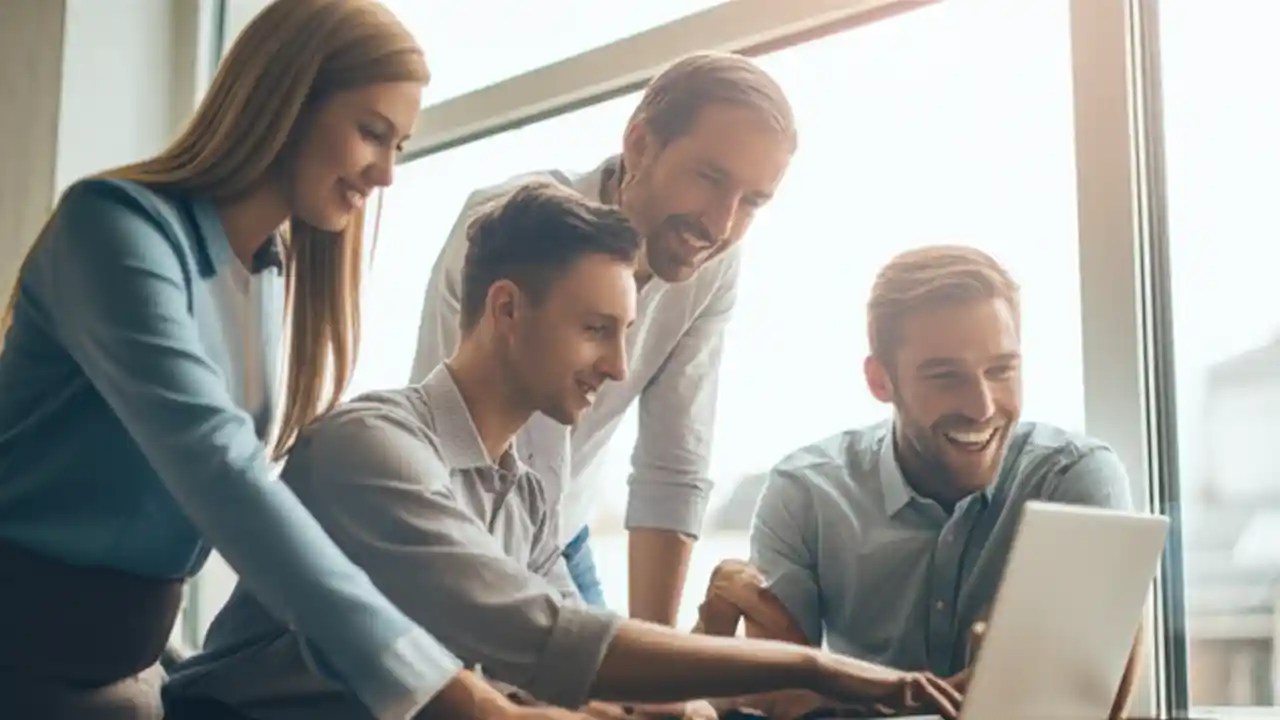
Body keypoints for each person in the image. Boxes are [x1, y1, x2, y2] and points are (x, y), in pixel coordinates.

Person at [164, 183, 962, 720]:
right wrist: (814, 667)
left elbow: (586, 671)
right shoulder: (369, 450)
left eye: (624, 334)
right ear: (506, 308)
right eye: (595, 330)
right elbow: (543, 636)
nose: (618, 367)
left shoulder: (529, 493)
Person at [0, 1, 585, 719]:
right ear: (286, 101)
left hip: (119, 672)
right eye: (373, 133)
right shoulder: (114, 229)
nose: (386, 175)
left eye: (400, 145)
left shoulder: (264, 270)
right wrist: (445, 691)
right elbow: (222, 474)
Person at [410, 51, 796, 621]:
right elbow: (485, 458)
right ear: (640, 146)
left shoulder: (712, 263)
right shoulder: (513, 228)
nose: (721, 223)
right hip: (452, 527)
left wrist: (654, 682)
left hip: (559, 537)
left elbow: (673, 465)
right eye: (709, 178)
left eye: (752, 203)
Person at [691, 245, 1143, 719]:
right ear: (881, 381)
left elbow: (1077, 704)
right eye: (946, 377)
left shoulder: (1073, 479)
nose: (982, 407)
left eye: (1001, 370)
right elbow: (782, 697)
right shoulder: (805, 494)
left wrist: (847, 694)